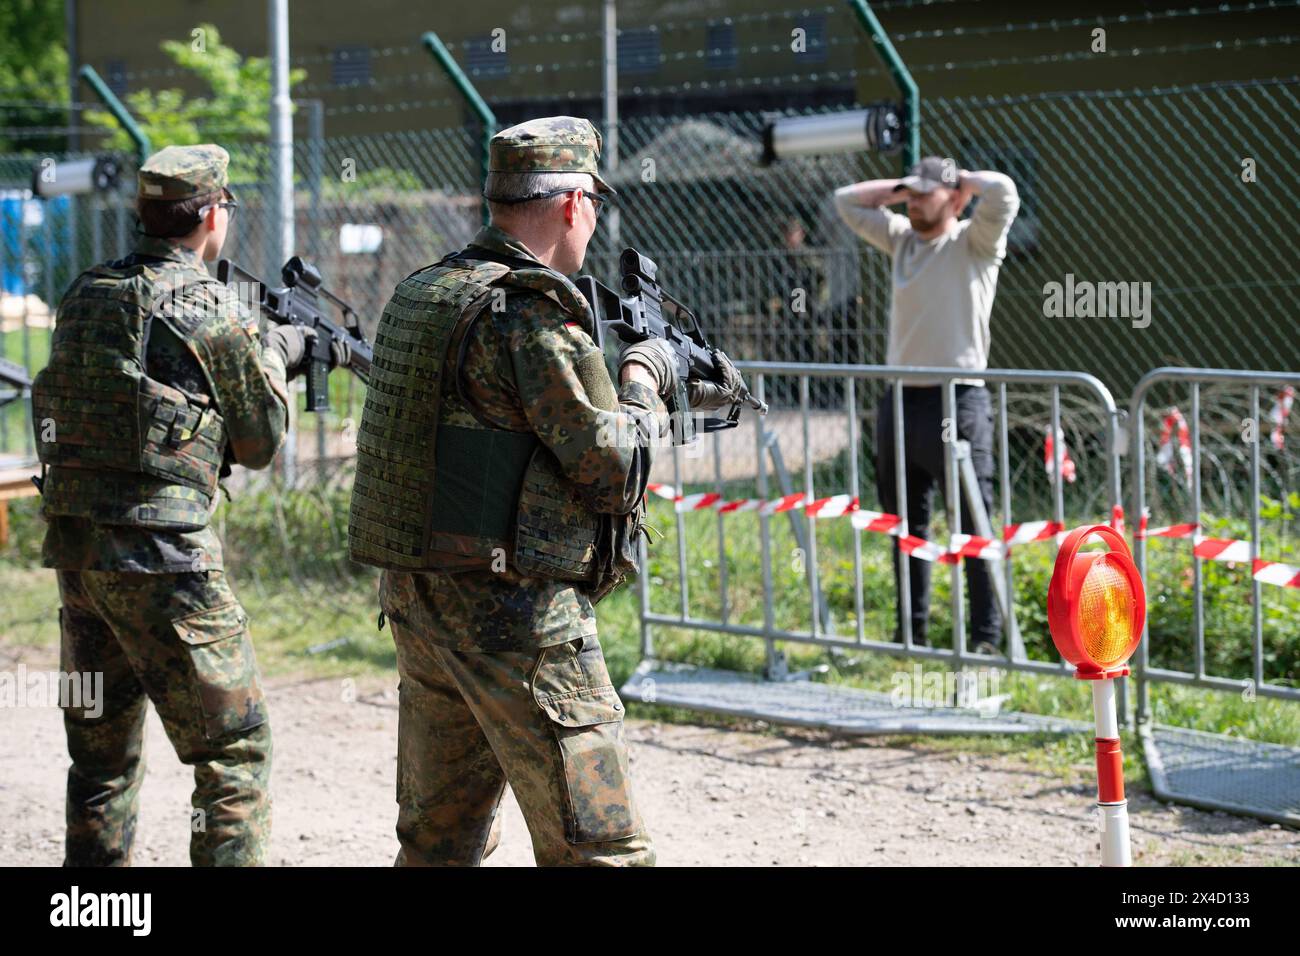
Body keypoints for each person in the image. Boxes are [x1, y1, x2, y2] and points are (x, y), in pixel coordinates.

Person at [348, 116, 741, 866]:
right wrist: (645, 379)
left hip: (421, 601)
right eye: (594, 199)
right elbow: (611, 470)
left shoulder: (426, 289)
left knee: (437, 845)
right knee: (603, 851)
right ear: (572, 204)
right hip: (518, 620)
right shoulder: (532, 313)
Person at [30, 144, 312, 865]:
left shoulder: (85, 292)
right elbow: (260, 442)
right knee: (234, 757)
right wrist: (278, 356)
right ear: (213, 214)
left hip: (81, 560)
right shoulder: (212, 309)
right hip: (168, 564)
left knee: (99, 760)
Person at [834, 156, 1019, 652]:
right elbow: (845, 201)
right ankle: (910, 634)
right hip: (901, 401)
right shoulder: (901, 240)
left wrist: (962, 184)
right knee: (905, 525)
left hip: (958, 400)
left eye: (924, 194)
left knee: (972, 523)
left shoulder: (973, 244)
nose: (914, 203)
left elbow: (1002, 191)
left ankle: (984, 638)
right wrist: (900, 189)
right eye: (909, 195)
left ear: (954, 198)